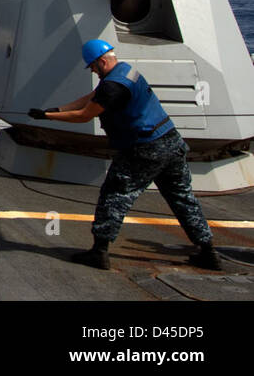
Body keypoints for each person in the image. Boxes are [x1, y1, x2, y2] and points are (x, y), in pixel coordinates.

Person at [30, 39, 222, 271]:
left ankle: (99, 252)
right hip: (171, 142)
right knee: (182, 197)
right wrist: (57, 109)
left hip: (143, 149)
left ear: (101, 62)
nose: (92, 70)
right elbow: (93, 97)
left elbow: (84, 115)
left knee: (115, 195)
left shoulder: (112, 87)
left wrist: (47, 118)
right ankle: (208, 251)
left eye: (92, 66)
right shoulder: (125, 71)